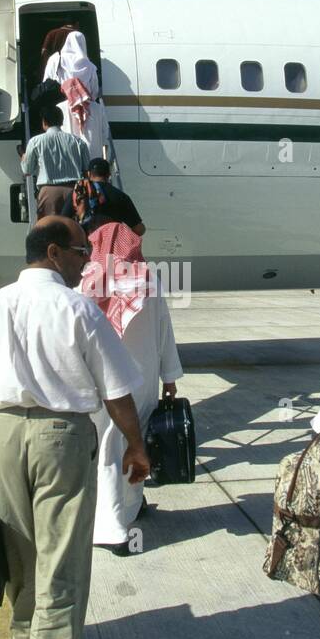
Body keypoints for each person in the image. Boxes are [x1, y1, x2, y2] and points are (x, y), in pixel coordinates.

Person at [0, 216, 151, 639]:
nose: (86, 260)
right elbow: (116, 391)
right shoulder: (78, 309)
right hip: (60, 438)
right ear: (52, 253)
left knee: (20, 551)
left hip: (3, 435)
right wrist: (135, 445)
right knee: (62, 569)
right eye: (80, 252)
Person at [78, 223, 182, 552]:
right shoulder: (149, 280)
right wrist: (170, 378)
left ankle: (112, 525)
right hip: (142, 381)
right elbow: (165, 333)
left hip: (104, 384)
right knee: (138, 445)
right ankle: (128, 511)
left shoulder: (87, 281)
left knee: (107, 451)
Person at [42, 30, 111, 161]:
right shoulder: (90, 67)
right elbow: (95, 92)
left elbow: (46, 82)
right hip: (87, 108)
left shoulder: (56, 59)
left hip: (63, 107)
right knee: (90, 141)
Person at [21, 105, 90, 219]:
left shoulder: (35, 141)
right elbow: (86, 169)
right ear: (61, 121)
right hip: (73, 191)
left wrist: (23, 158)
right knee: (73, 230)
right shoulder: (78, 141)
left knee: (49, 231)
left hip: (49, 192)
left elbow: (27, 170)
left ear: (44, 122)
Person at [74, 158, 145, 236]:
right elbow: (139, 229)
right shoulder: (121, 196)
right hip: (111, 245)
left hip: (84, 244)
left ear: (89, 174)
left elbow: (63, 221)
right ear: (109, 175)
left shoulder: (78, 194)